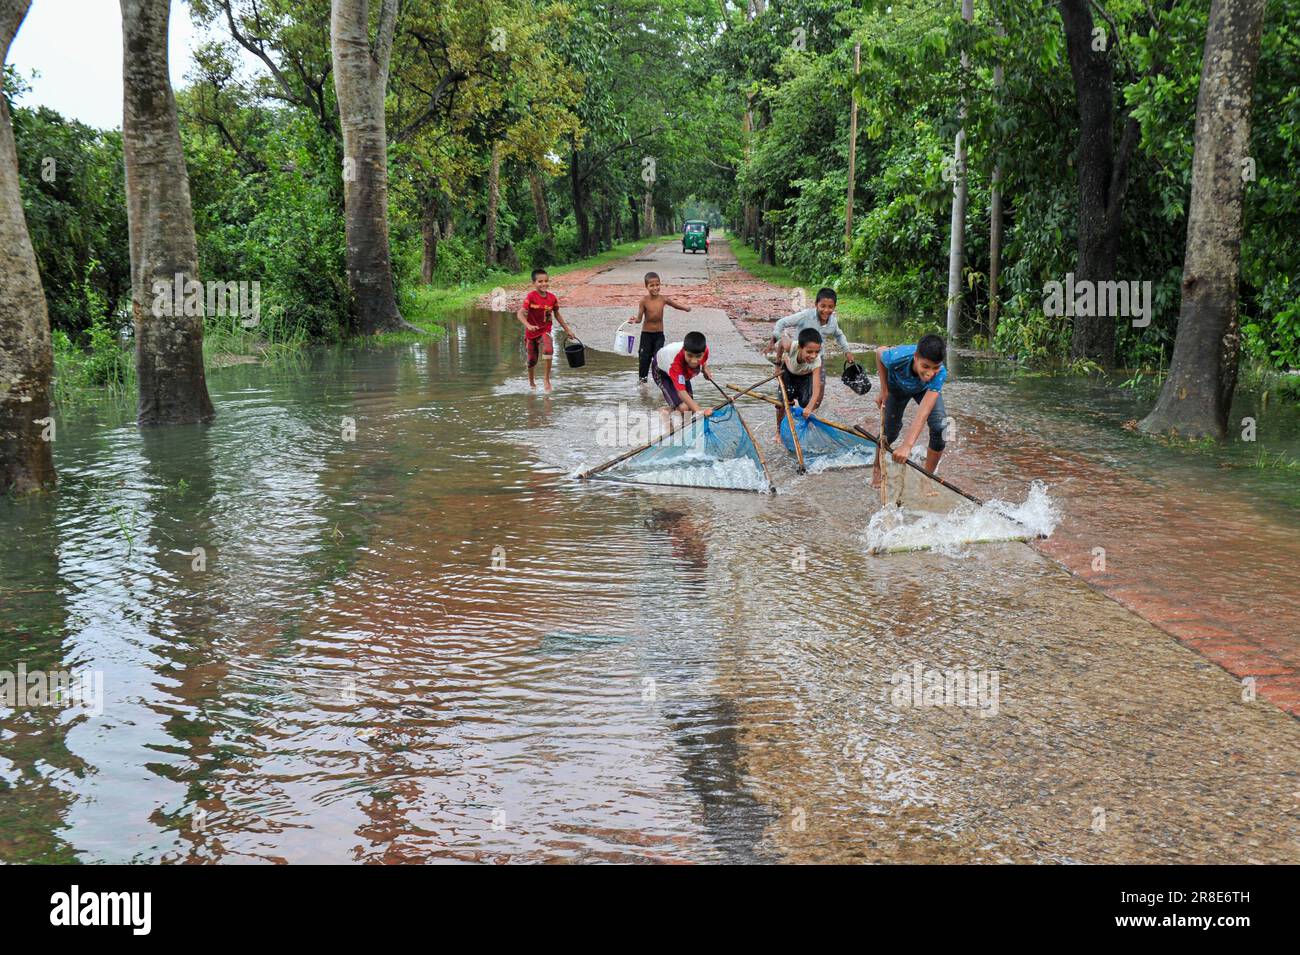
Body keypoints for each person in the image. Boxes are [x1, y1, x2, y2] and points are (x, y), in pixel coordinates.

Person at [873, 333, 948, 476]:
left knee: (940, 426)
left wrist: (907, 446)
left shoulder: (940, 373)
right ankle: (877, 467)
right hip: (897, 388)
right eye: (925, 366)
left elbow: (924, 411)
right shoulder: (896, 358)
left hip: (924, 389)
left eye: (935, 367)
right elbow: (878, 352)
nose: (930, 373)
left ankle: (928, 478)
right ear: (915, 357)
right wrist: (884, 390)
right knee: (890, 432)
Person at [764, 288, 857, 393]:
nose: (826, 310)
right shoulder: (805, 316)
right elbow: (782, 323)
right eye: (823, 306)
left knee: (819, 388)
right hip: (796, 356)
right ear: (816, 304)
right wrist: (775, 339)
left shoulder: (833, 323)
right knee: (785, 395)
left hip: (816, 358)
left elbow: (839, 335)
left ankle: (810, 408)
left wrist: (847, 351)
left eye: (830, 307)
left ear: (834, 307)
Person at [516, 268, 574, 391]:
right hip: (531, 333)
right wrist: (528, 325)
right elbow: (520, 314)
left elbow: (557, 314)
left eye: (546, 281)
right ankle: (531, 383)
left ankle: (546, 379)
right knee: (532, 360)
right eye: (540, 281)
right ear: (534, 283)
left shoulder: (552, 298)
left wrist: (567, 330)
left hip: (545, 330)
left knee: (548, 350)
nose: (544, 284)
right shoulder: (530, 297)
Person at [629, 271, 691, 383]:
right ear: (646, 287)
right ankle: (642, 381)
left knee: (659, 359)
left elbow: (675, 305)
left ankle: (661, 381)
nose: (655, 288)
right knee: (644, 359)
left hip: (659, 335)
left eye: (657, 285)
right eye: (651, 285)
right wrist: (634, 320)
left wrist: (685, 308)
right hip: (646, 335)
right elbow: (639, 319)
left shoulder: (663, 299)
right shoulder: (644, 301)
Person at [650, 331, 714, 430]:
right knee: (683, 407)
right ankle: (665, 414)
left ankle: (679, 421)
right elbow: (681, 393)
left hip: (682, 369)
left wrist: (705, 368)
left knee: (689, 409)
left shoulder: (704, 350)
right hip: (661, 370)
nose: (693, 361)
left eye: (698, 357)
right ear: (684, 351)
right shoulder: (675, 363)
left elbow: (703, 359)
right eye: (690, 356)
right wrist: (700, 411)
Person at [772, 327, 824, 441]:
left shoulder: (817, 361)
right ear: (800, 347)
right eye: (809, 352)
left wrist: (809, 408)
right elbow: (781, 343)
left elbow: (816, 389)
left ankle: (797, 408)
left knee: (807, 402)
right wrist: (777, 364)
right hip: (788, 373)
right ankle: (778, 431)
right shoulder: (791, 346)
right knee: (782, 404)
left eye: (817, 352)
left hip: (805, 376)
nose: (813, 356)